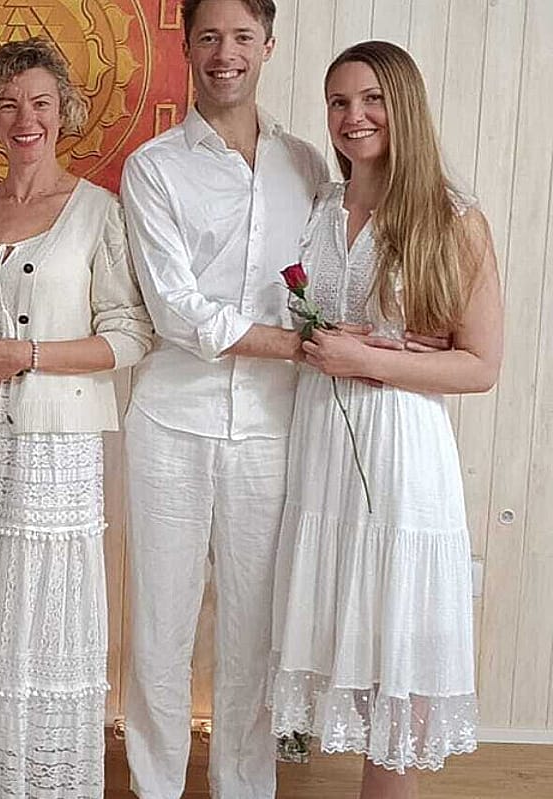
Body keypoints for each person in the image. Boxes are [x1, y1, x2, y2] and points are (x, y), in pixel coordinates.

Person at [268, 40, 501, 799]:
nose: (353, 117)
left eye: (371, 99)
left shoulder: (451, 217)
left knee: (395, 645)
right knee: (343, 628)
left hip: (400, 454)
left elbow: (480, 364)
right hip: (322, 449)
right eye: (338, 102)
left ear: (404, 107)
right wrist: (337, 345)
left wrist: (368, 358)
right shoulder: (315, 209)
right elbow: (310, 331)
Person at [0, 38, 154, 798]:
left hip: (55, 444)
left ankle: (38, 782)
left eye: (41, 103)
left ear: (65, 113)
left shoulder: (96, 212)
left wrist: (32, 354)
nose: (25, 118)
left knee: (38, 616)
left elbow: (130, 334)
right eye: (9, 103)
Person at [118, 1, 331, 796]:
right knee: (161, 628)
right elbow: (176, 310)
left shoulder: (307, 166)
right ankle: (156, 784)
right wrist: (300, 346)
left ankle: (245, 787)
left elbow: (327, 282)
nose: (225, 53)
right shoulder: (155, 166)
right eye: (208, 37)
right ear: (187, 48)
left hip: (273, 429)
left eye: (242, 37)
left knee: (254, 634)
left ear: (268, 46)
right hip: (172, 423)